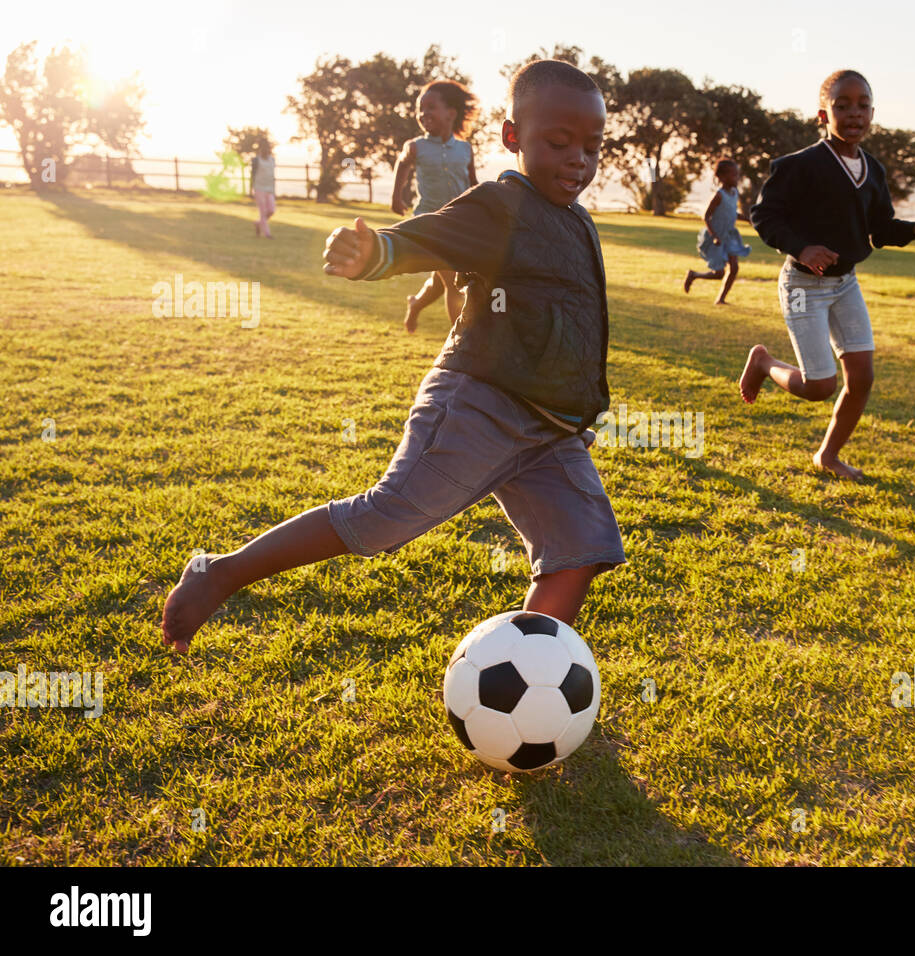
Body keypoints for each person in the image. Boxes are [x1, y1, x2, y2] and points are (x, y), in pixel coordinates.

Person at [162, 60, 623, 653]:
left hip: (551, 429)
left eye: (592, 146)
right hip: (481, 402)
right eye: (559, 143)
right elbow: (429, 235)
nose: (578, 160)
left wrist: (575, 412)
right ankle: (221, 571)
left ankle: (535, 668)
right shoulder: (500, 207)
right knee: (387, 517)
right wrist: (375, 252)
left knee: (578, 549)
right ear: (513, 138)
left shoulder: (579, 221)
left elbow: (579, 325)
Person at [739, 69, 915, 480]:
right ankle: (764, 363)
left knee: (862, 377)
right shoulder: (800, 165)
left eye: (863, 105)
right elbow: (763, 215)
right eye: (843, 105)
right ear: (823, 114)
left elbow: (881, 228)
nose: (854, 113)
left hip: (844, 284)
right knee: (819, 386)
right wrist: (802, 247)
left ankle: (828, 456)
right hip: (802, 285)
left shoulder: (873, 169)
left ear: (873, 112)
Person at [391, 80, 479, 332]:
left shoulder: (465, 149)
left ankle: (416, 304)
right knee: (454, 283)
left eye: (430, 107)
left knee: (441, 283)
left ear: (451, 113)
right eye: (420, 109)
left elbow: (473, 183)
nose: (423, 114)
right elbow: (403, 165)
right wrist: (397, 196)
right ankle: (460, 342)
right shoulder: (416, 146)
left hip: (460, 224)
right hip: (430, 224)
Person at [684, 158, 751, 305]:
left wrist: (747, 219)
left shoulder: (734, 193)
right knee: (719, 273)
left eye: (737, 174)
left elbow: (731, 213)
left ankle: (721, 299)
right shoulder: (719, 195)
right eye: (733, 175)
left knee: (734, 268)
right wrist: (714, 236)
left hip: (729, 235)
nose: (737, 178)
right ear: (722, 177)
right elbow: (706, 216)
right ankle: (694, 275)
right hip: (716, 236)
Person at [250, 141, 276, 238]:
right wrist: (251, 189)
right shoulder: (256, 160)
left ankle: (258, 223)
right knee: (263, 211)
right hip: (259, 188)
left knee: (271, 210)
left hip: (269, 189)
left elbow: (272, 175)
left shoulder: (272, 160)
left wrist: (274, 189)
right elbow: (252, 175)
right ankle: (267, 234)